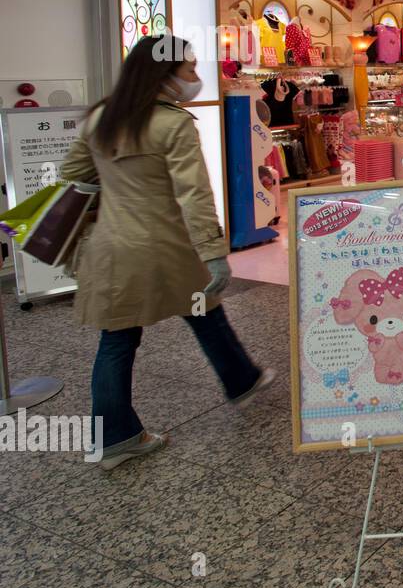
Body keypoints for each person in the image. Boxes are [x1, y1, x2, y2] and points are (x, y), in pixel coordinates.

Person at [61, 35, 274, 469]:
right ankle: (241, 379)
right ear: (164, 73)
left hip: (110, 247)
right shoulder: (172, 123)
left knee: (118, 337)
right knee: (204, 309)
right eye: (189, 70)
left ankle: (116, 435)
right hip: (165, 244)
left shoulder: (100, 118)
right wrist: (214, 251)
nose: (195, 78)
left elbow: (73, 175)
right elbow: (194, 194)